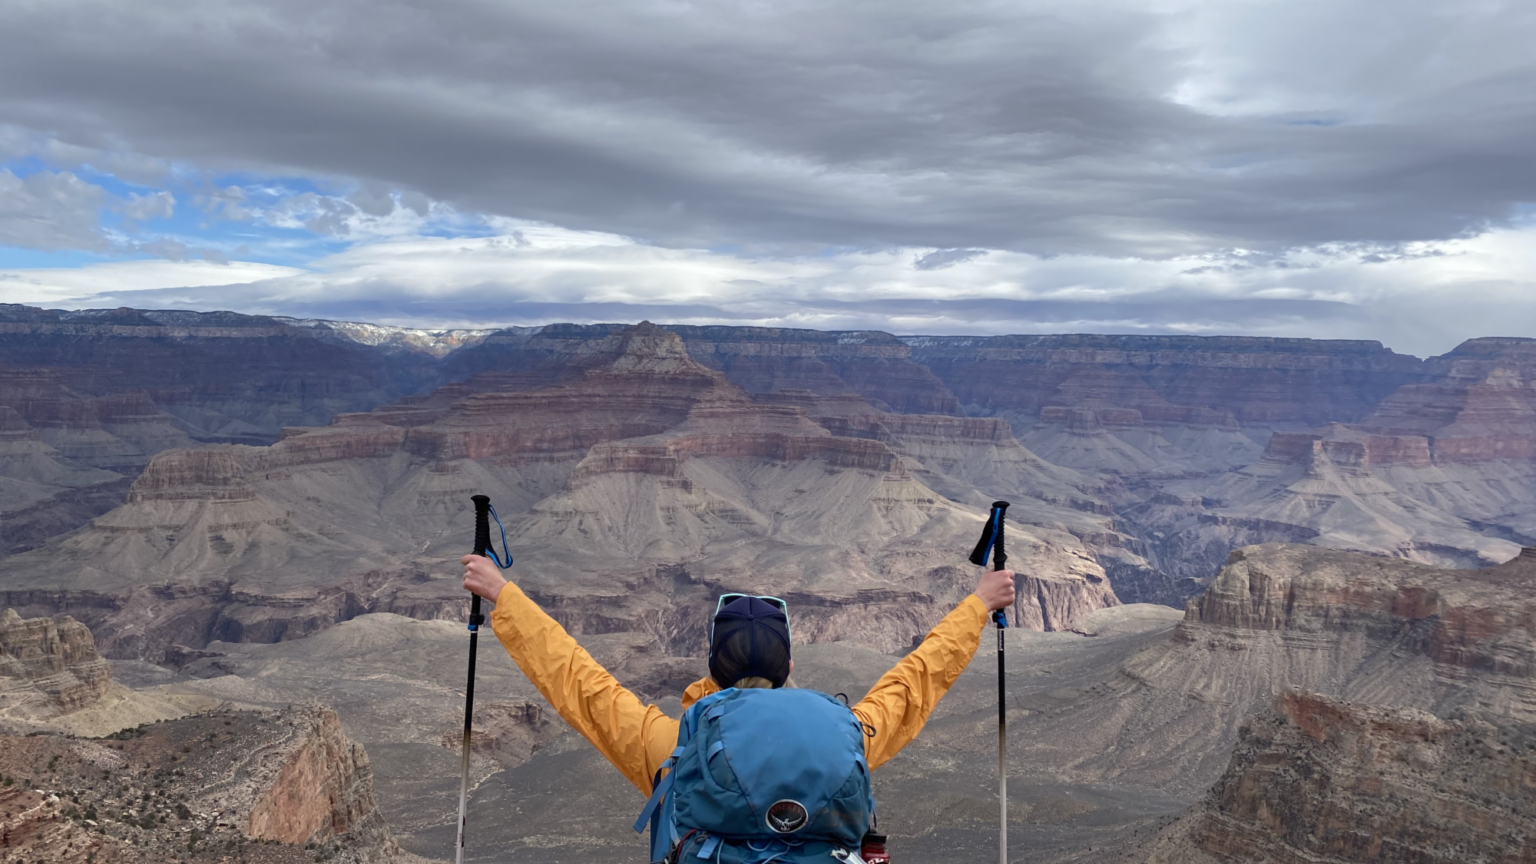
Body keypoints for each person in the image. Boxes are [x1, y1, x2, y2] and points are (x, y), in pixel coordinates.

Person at [460, 557, 1016, 797]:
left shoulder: (674, 749)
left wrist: (503, 596)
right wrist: (977, 604)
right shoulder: (845, 739)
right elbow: (915, 680)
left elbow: (579, 681)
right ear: (790, 667)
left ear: (709, 667)